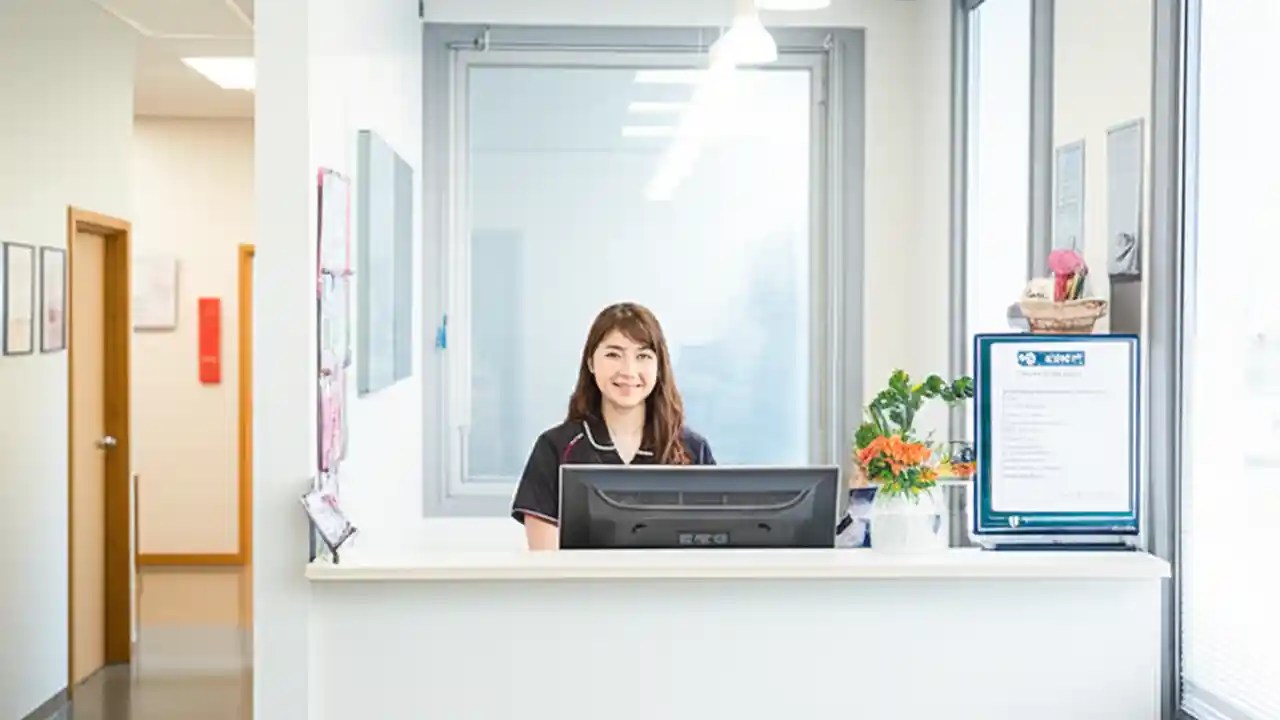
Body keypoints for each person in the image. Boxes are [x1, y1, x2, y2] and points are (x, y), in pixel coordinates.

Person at [510, 302, 716, 550]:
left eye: (643, 356)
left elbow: (709, 550)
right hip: (582, 588)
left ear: (659, 367)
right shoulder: (555, 447)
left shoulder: (692, 449)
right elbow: (545, 561)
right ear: (591, 363)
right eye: (613, 355)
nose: (628, 371)